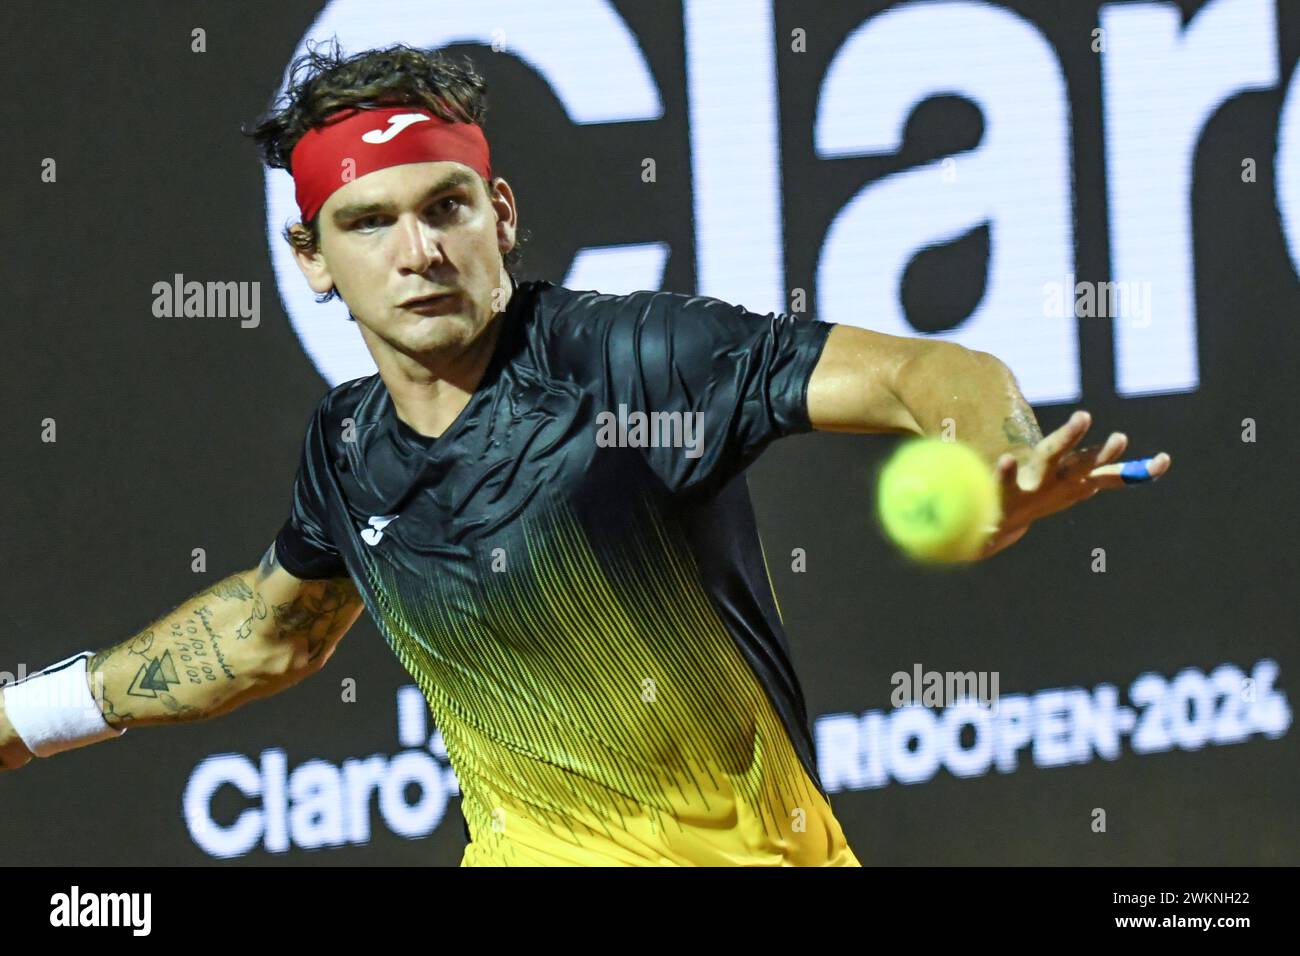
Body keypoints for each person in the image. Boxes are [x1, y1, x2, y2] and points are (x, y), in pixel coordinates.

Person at [0, 42, 1170, 866]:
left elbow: (923, 373)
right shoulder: (346, 448)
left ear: (500, 213)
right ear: (311, 255)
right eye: (371, 222)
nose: (420, 252)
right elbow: (266, 634)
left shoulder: (629, 360)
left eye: (447, 206)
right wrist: (29, 717)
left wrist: (994, 457)